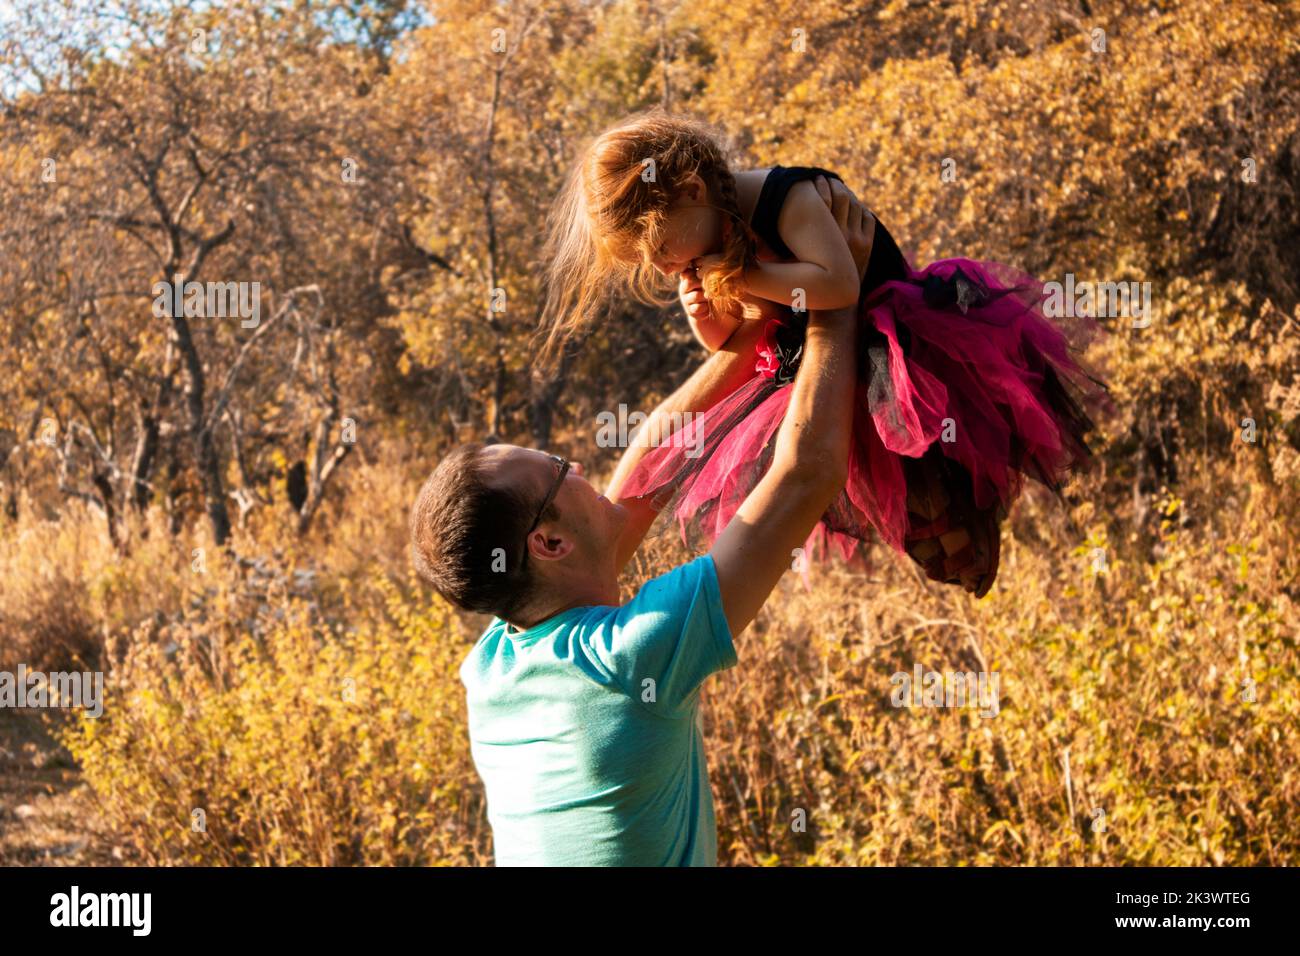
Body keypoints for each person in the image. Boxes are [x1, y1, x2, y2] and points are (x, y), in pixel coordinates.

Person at [407, 179, 872, 865]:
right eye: (559, 467)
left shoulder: (492, 668)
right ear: (550, 541)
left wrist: (761, 331)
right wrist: (837, 300)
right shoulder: (633, 657)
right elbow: (807, 474)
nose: (584, 469)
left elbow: (655, 456)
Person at [538, 109, 1113, 596]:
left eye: (661, 248)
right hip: (810, 368)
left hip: (890, 350)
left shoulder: (787, 196)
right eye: (650, 264)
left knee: (936, 479)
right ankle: (949, 545)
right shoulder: (702, 237)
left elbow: (839, 285)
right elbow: (739, 343)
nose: (665, 268)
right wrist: (705, 315)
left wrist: (746, 274)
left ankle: (970, 533)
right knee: (903, 511)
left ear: (691, 192)